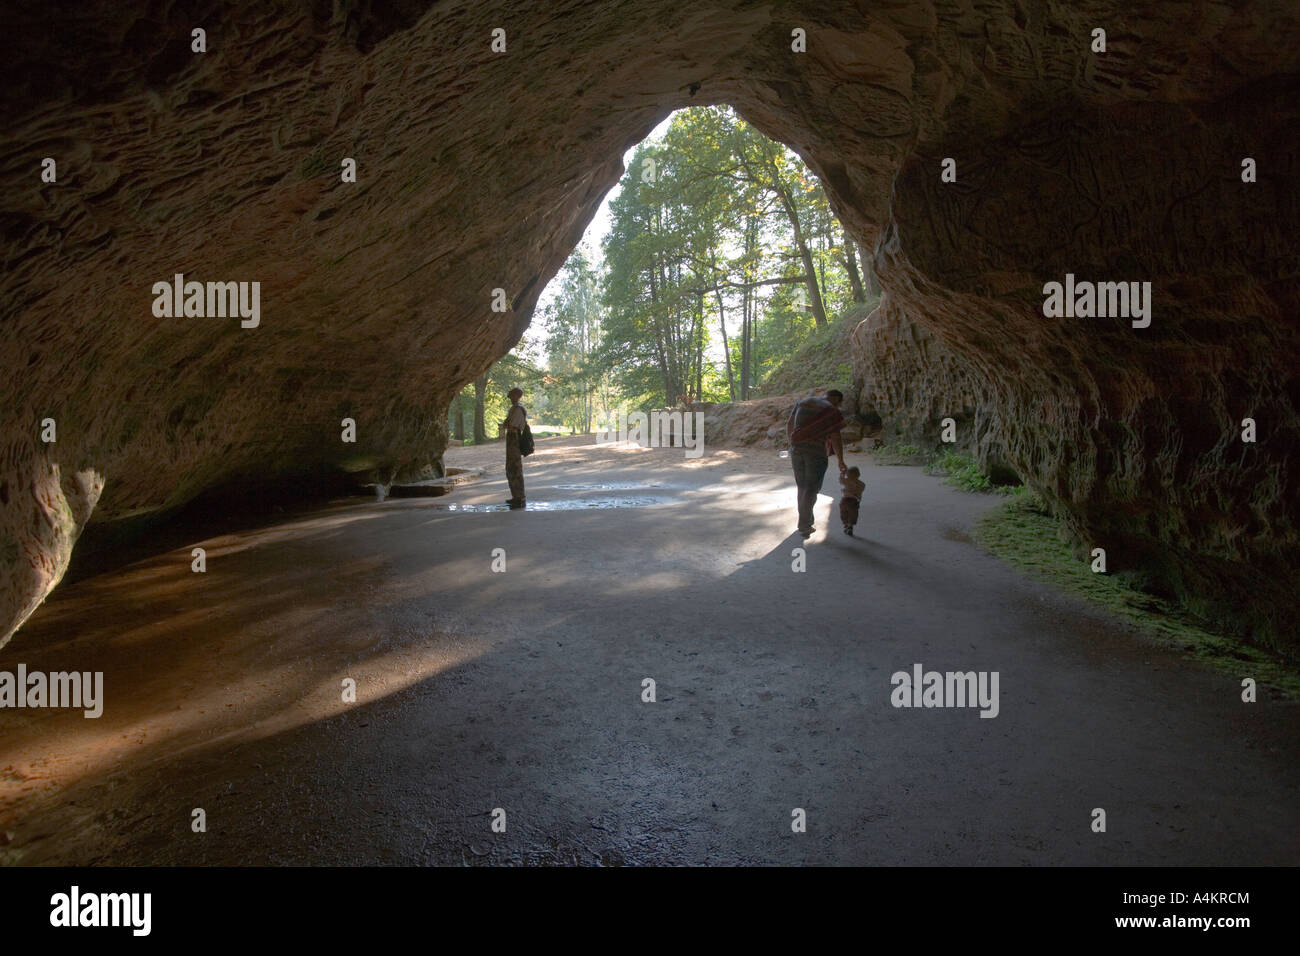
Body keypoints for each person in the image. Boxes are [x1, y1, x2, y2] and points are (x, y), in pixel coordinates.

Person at [786, 389, 848, 537]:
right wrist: (840, 460)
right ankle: (805, 525)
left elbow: (789, 424)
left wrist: (791, 444)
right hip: (816, 453)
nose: (839, 407)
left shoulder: (804, 402)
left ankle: (805, 522)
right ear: (836, 399)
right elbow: (835, 436)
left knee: (802, 487)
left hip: (797, 450)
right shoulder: (831, 411)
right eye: (839, 403)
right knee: (811, 488)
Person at [499, 386, 527, 508]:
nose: (510, 398)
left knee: (515, 467)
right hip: (511, 436)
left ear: (517, 396)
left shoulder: (518, 409)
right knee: (510, 467)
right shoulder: (514, 408)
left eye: (512, 396)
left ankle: (519, 497)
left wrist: (506, 424)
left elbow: (510, 424)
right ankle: (516, 496)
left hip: (514, 437)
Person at [839, 466, 865, 536]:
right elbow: (861, 490)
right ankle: (849, 525)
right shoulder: (861, 484)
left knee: (844, 512)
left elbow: (841, 480)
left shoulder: (847, 481)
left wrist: (842, 473)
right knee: (852, 513)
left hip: (846, 499)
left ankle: (847, 524)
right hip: (854, 500)